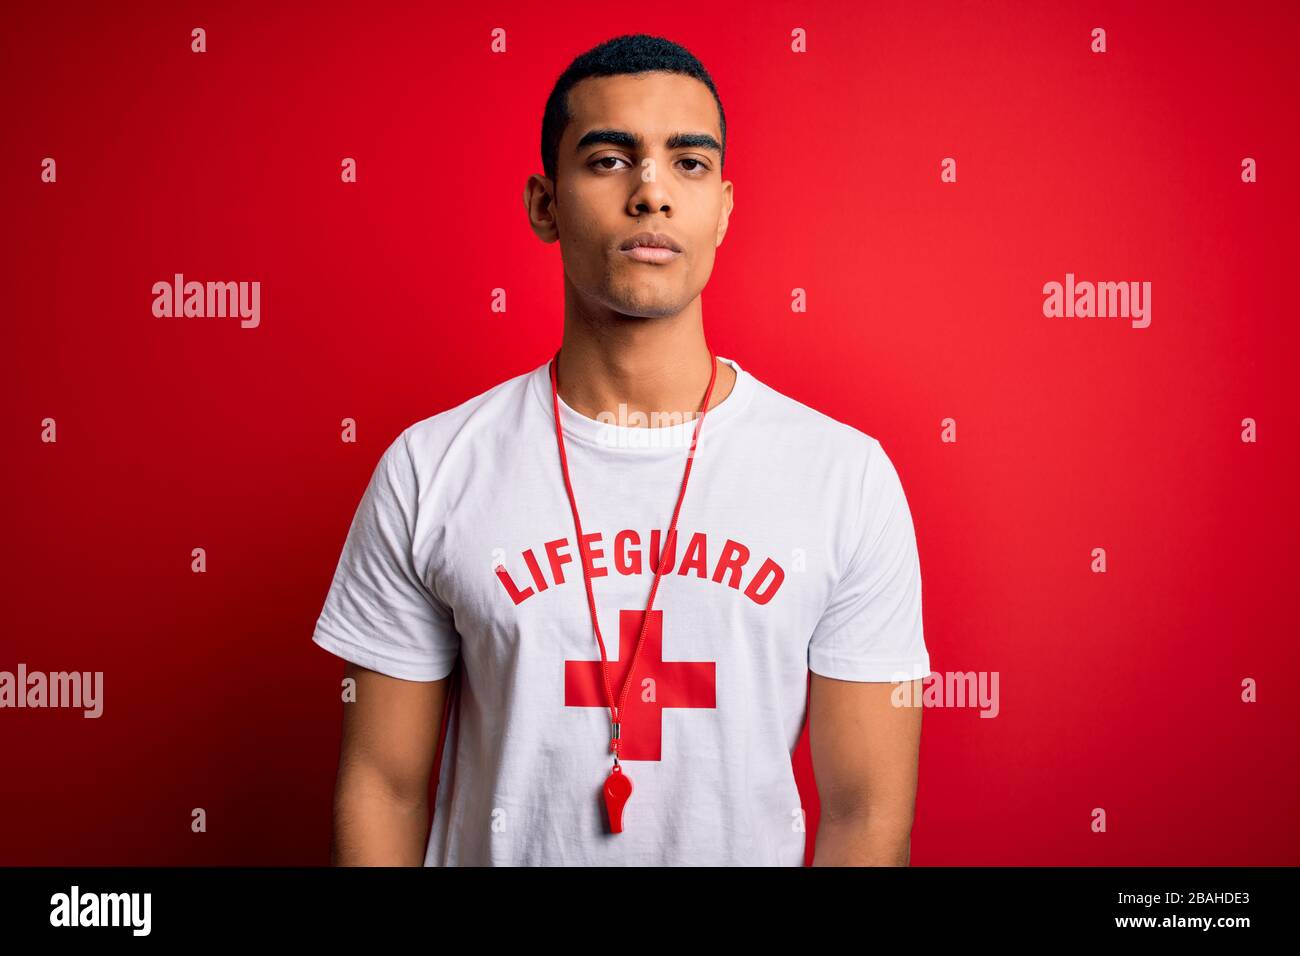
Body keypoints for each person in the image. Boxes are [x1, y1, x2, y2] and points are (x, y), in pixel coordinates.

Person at [311, 33, 930, 866]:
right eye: (608, 160)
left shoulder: (844, 478)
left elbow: (865, 814)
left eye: (689, 164)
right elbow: (382, 788)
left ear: (723, 208)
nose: (651, 193)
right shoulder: (431, 467)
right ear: (545, 204)